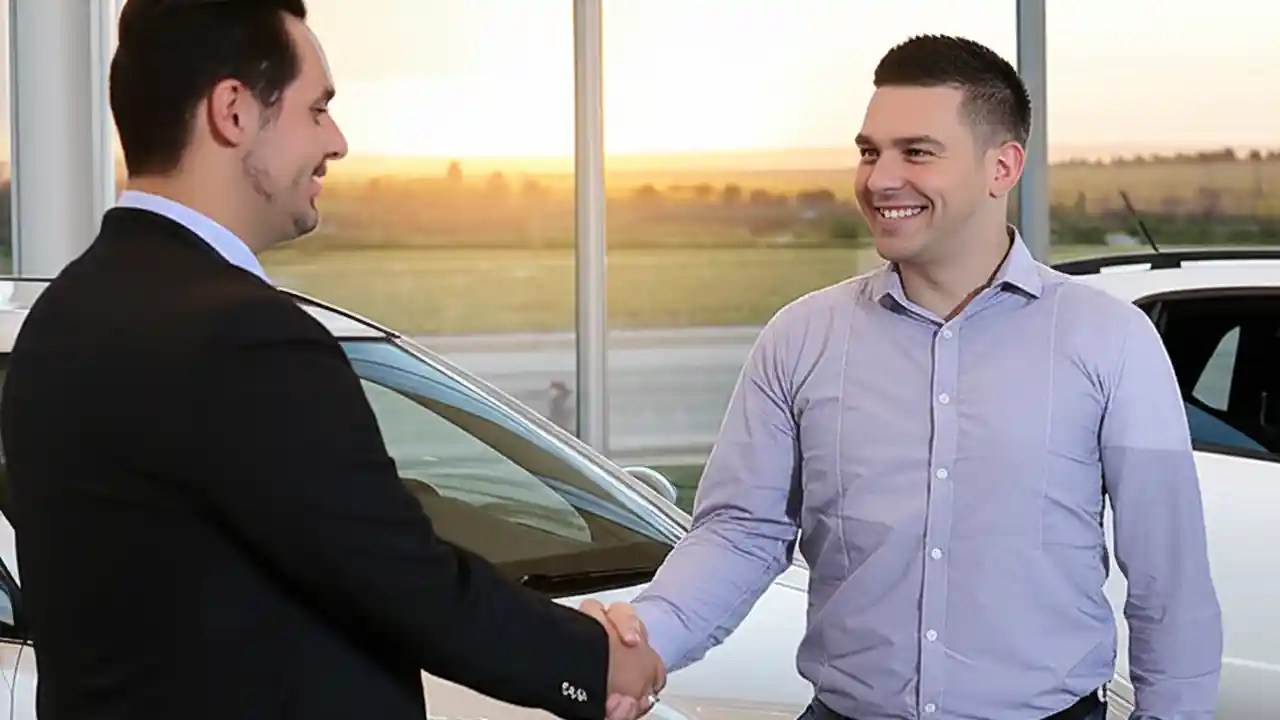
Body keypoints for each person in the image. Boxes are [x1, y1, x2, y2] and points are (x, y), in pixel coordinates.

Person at [0, 1, 663, 718]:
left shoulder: (59, 320)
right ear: (233, 111)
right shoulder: (246, 336)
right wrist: (594, 662)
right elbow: (399, 574)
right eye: (317, 109)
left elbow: (308, 523)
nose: (338, 141)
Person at [593, 35, 1223, 720]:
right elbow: (741, 530)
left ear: (1002, 167)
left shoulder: (1109, 339)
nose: (880, 178)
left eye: (916, 152)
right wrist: (643, 641)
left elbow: (1169, 574)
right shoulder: (801, 338)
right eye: (870, 152)